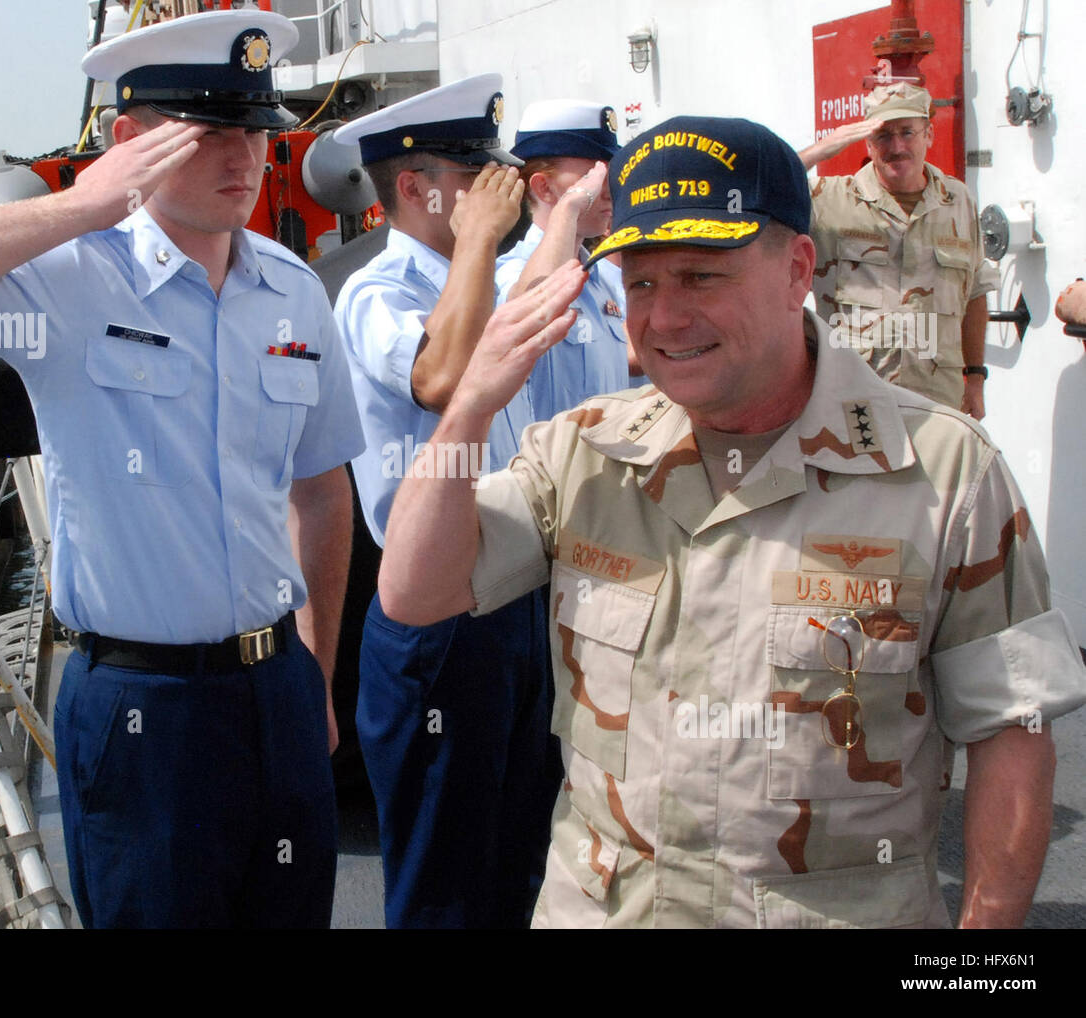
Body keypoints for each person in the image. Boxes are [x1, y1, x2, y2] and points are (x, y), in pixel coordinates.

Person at [376, 114, 1086, 927]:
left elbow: (1011, 735)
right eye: (640, 283)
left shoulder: (942, 471)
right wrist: (469, 406)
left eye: (701, 276)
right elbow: (414, 594)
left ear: (798, 270)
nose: (666, 317)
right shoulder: (587, 451)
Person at [0, 9, 364, 929]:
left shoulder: (293, 291)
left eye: (254, 132)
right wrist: (83, 204)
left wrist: (312, 674)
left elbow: (321, 488)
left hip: (276, 686)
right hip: (136, 707)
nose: (246, 158)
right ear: (129, 140)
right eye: (208, 134)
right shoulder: (68, 284)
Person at [333, 74, 559, 928]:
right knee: (447, 876)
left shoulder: (489, 280)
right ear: (418, 190)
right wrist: (474, 247)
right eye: (476, 177)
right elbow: (443, 380)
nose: (497, 192)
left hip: (515, 596)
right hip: (441, 618)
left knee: (521, 858)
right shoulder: (375, 294)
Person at [798, 84, 998, 418]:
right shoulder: (827, 200)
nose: (897, 146)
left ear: (929, 134)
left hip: (939, 405)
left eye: (908, 132)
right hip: (854, 403)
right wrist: (820, 150)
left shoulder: (958, 200)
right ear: (867, 143)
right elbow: (758, 188)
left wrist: (975, 378)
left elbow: (975, 293)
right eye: (883, 135)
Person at [495, 99, 638, 418]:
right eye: (592, 178)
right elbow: (534, 310)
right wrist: (570, 207)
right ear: (544, 189)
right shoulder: (509, 275)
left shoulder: (603, 281)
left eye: (611, 177)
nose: (606, 192)